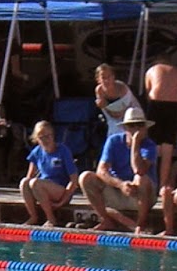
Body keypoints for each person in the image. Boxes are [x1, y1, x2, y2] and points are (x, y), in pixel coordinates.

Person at [79, 104, 157, 232]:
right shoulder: (114, 141)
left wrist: (135, 144)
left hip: (141, 194)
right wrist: (120, 185)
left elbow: (139, 169)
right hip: (117, 190)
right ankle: (106, 219)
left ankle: (140, 224)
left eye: (140, 125)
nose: (136, 129)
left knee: (140, 178)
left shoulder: (149, 146)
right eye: (132, 126)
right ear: (125, 127)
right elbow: (101, 170)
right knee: (86, 177)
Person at [20, 120, 80, 226]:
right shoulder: (37, 152)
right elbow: (29, 176)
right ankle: (33, 216)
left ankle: (51, 218)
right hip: (42, 189)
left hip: (61, 190)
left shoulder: (63, 150)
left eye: (48, 136)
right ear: (36, 139)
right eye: (41, 137)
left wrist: (62, 201)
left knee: (35, 183)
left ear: (53, 136)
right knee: (25, 182)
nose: (46, 140)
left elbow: (74, 180)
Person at [143, 53, 177, 180]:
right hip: (174, 105)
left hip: (156, 103)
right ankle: (163, 182)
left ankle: (152, 180)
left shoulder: (152, 70)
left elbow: (148, 90)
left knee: (153, 142)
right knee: (168, 144)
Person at [93, 64, 142, 139]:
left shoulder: (122, 88)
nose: (107, 80)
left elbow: (121, 114)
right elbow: (109, 116)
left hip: (131, 115)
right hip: (113, 119)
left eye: (109, 77)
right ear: (98, 79)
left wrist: (105, 105)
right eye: (103, 78)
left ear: (113, 77)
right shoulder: (99, 90)